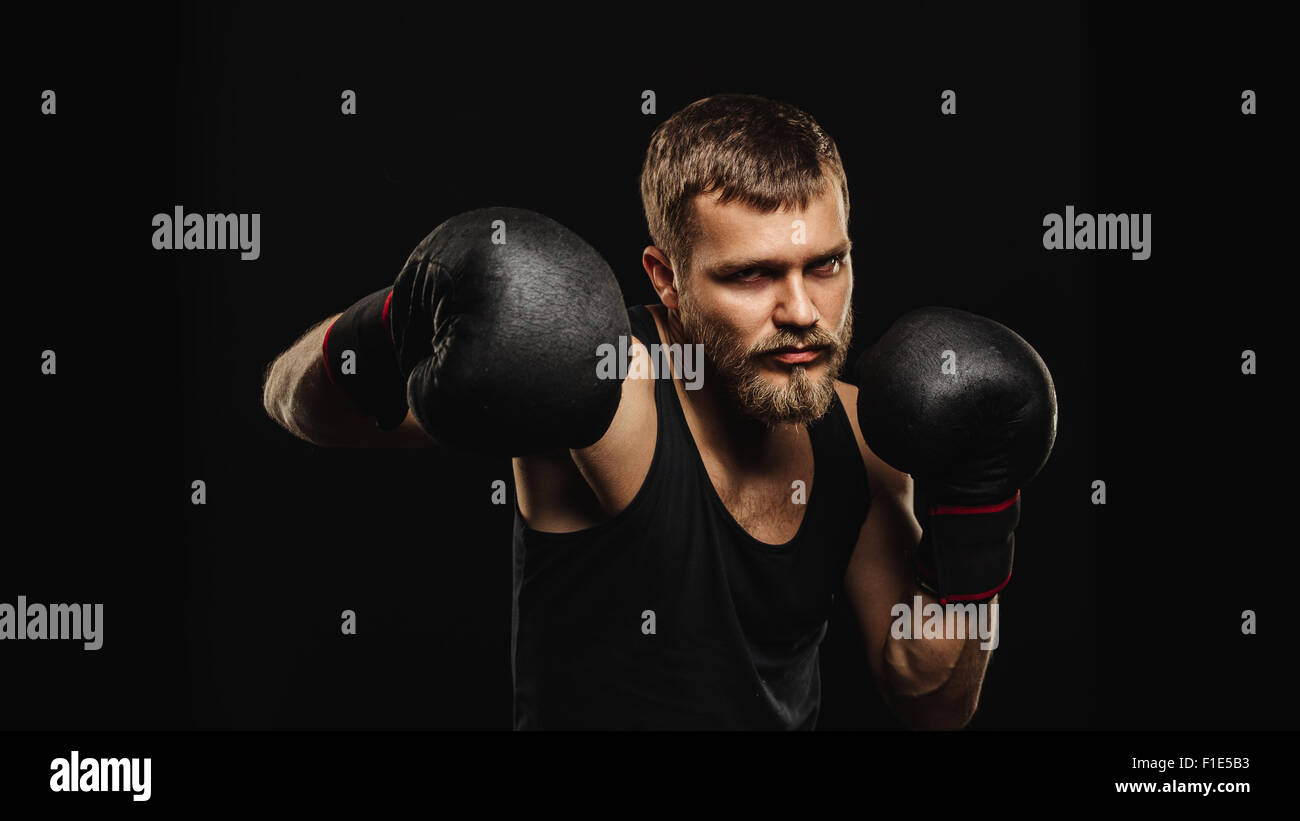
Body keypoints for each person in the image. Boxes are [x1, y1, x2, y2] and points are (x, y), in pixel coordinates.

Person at [261, 94, 1056, 730]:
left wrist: (976, 518)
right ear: (666, 278)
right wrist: (396, 316)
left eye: (827, 264)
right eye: (751, 275)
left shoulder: (862, 430)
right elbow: (296, 405)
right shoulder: (605, 386)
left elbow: (934, 700)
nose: (802, 310)